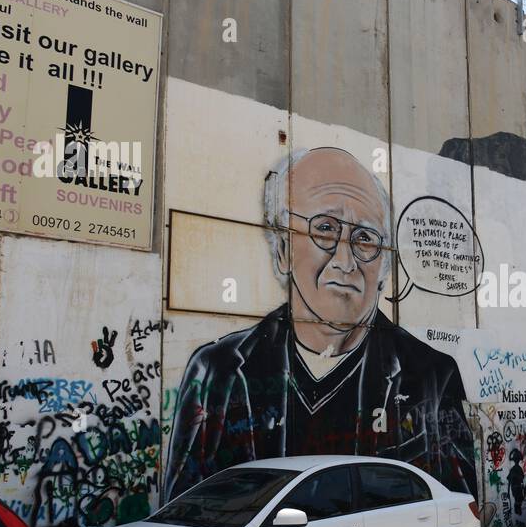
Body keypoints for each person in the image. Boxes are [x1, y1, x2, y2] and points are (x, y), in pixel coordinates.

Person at [164, 148, 477, 499]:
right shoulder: (217, 372)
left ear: (384, 268)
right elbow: (180, 518)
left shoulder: (431, 377)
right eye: (325, 230)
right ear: (283, 249)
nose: (345, 261)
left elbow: (457, 509)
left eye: (365, 239)